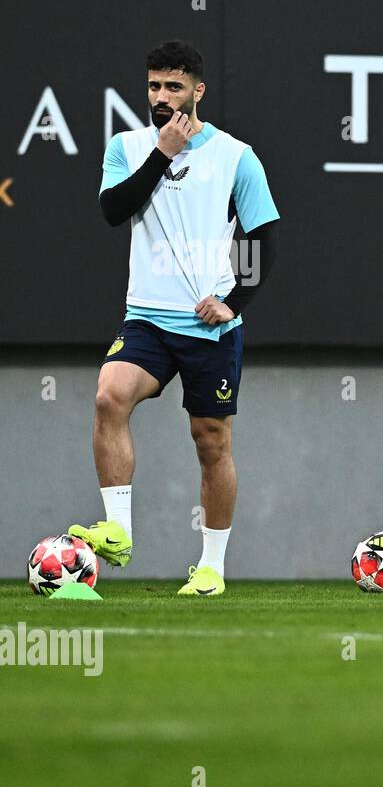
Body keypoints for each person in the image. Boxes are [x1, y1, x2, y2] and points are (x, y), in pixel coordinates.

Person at [69, 40, 280, 596]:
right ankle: (118, 530)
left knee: (211, 441)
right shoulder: (127, 146)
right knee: (109, 397)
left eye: (173, 87)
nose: (161, 97)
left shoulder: (236, 155)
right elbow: (114, 210)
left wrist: (233, 301)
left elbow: (263, 237)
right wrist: (162, 153)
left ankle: (211, 566)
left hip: (210, 328)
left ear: (197, 91)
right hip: (146, 318)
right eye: (154, 86)